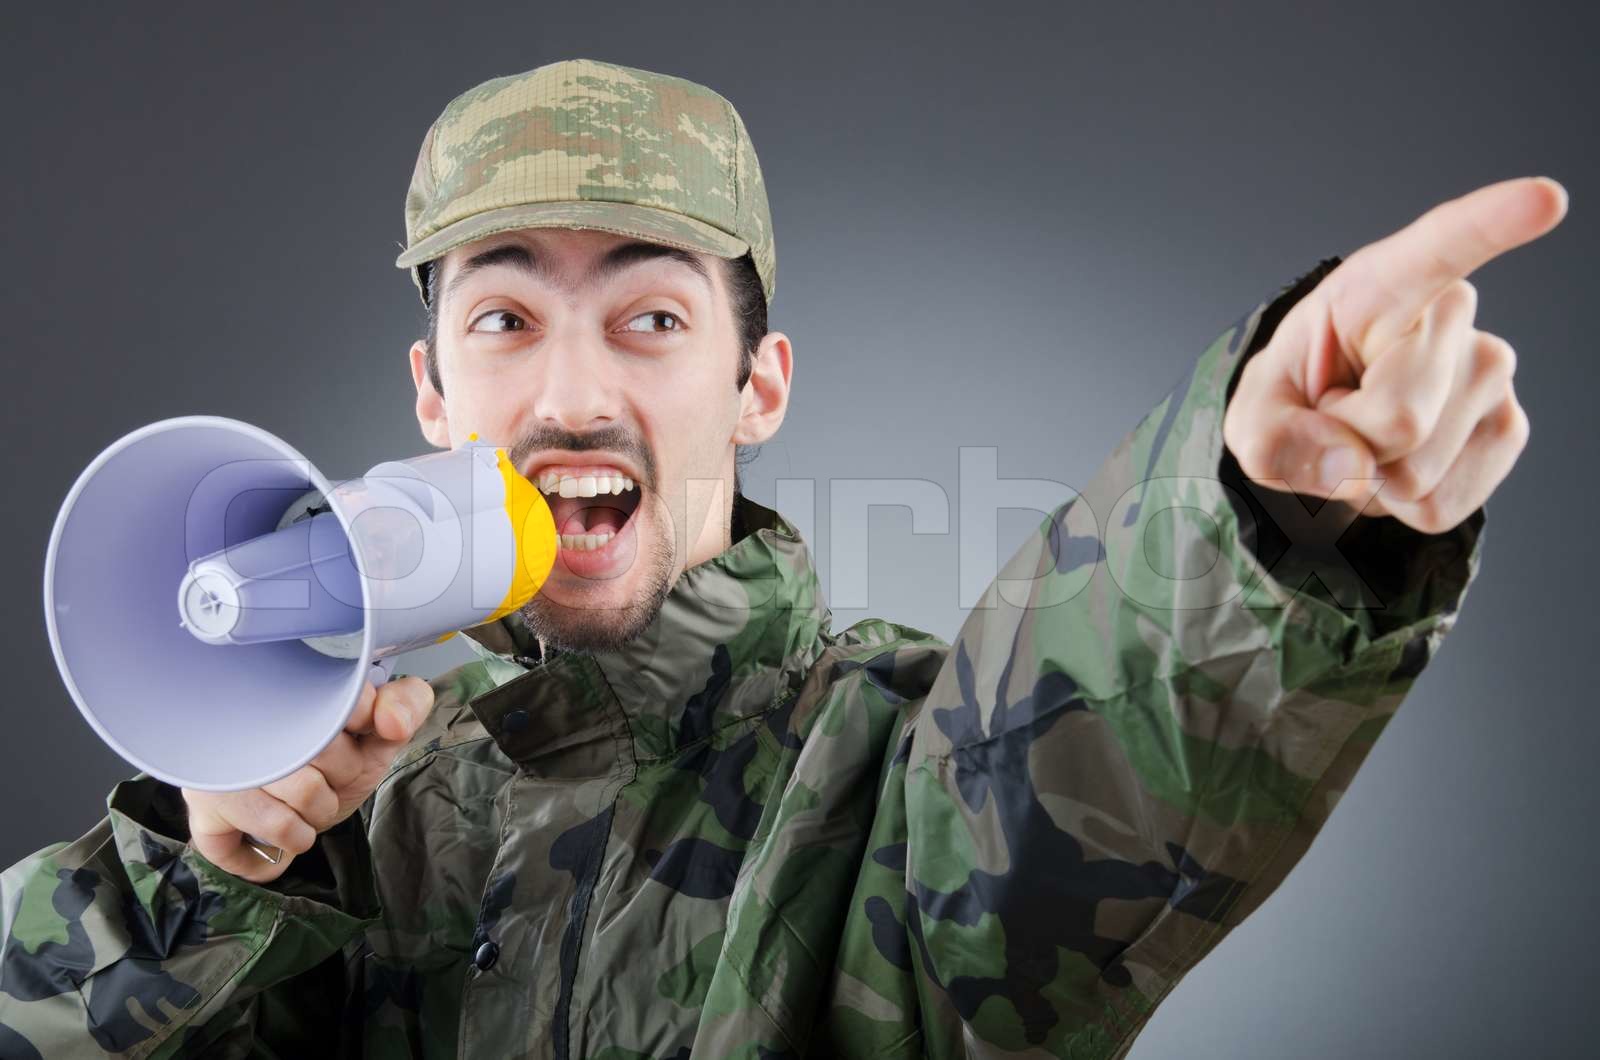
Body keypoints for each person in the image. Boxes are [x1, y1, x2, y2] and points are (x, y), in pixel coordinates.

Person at [0, 57, 1563, 1059]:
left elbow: (1102, 743)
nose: (569, 393)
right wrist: (204, 879)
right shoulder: (347, 823)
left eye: (651, 317)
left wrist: (1261, 510)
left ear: (758, 385)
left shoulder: (900, 759)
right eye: (502, 319)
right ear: (433, 398)